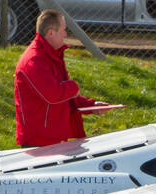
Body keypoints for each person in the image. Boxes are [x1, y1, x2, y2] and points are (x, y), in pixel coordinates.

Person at [14, 10, 105, 147]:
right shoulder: (34, 60)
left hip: (53, 138)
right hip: (39, 141)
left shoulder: (50, 55)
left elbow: (63, 95)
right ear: (51, 33)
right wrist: (74, 87)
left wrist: (90, 105)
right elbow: (53, 94)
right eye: (63, 30)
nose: (65, 34)